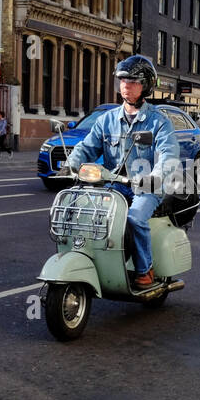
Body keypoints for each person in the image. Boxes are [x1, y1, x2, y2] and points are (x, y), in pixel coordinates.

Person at [64, 55, 181, 289]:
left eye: (133, 81)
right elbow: (88, 146)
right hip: (113, 184)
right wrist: (71, 164)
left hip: (146, 187)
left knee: (135, 218)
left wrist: (156, 176)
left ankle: (144, 269)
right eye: (123, 80)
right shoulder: (107, 120)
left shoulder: (158, 122)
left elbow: (169, 155)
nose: (126, 85)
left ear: (146, 85)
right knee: (80, 213)